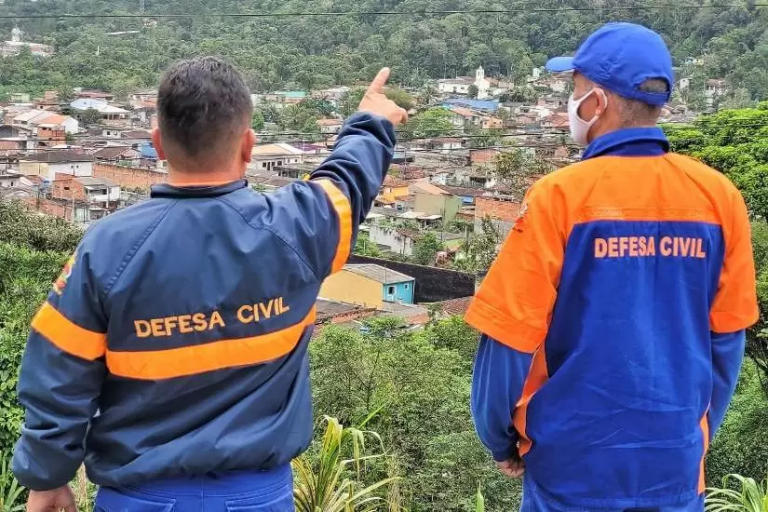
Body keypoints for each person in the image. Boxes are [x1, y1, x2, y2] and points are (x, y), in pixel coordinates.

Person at [12, 57, 407, 512]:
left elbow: (59, 375)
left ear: (158, 144)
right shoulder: (300, 227)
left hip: (138, 497)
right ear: (249, 145)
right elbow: (349, 177)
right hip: (260, 498)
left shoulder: (107, 247)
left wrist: (47, 476)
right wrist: (373, 119)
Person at [465, 22, 758, 512]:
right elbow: (727, 342)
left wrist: (499, 439)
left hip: (569, 465)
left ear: (596, 103)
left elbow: (508, 337)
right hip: (675, 467)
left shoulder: (560, 197)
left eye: (575, 89)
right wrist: (694, 438)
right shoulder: (719, 198)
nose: (571, 102)